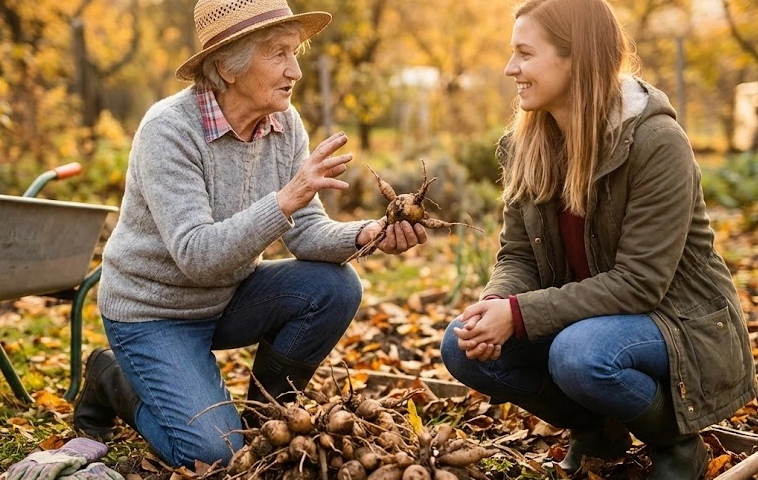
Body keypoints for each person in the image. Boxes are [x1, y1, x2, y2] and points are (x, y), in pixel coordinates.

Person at [71, 0, 428, 470]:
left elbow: (307, 233)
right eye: (279, 53)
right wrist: (285, 199)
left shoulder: (284, 124)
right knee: (211, 455)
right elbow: (196, 255)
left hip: (226, 297)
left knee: (334, 287)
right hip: (153, 313)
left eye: (295, 53)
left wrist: (370, 233)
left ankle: (267, 423)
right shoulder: (168, 130)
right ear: (227, 65)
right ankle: (112, 380)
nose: (295, 70)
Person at [439, 0, 757, 479]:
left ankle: (675, 443)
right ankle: (596, 429)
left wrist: (521, 315)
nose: (510, 69)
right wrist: (497, 303)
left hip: (675, 320)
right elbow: (519, 252)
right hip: (586, 317)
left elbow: (641, 282)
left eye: (524, 54)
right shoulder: (528, 143)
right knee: (460, 345)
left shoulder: (655, 142)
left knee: (580, 355)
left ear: (577, 57)